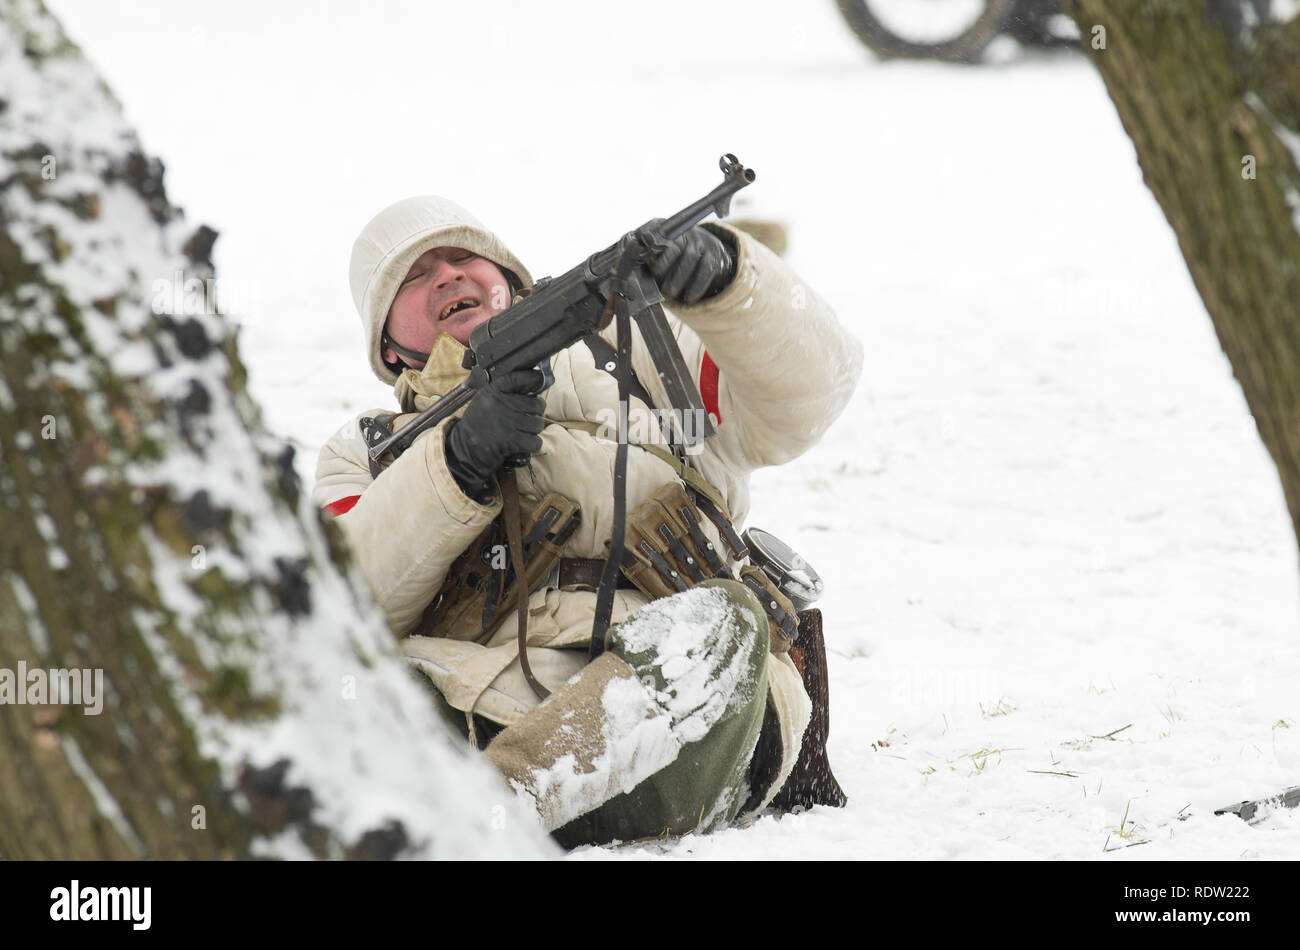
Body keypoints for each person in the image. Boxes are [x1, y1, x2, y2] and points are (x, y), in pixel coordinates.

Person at [314, 194, 862, 845]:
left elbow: (816, 391)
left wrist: (729, 283)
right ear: (387, 347)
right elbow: (337, 608)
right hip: (475, 708)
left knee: (726, 620)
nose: (447, 274)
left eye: (463, 255)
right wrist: (452, 466)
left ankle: (487, 814)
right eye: (412, 275)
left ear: (512, 279)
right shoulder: (370, 452)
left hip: (686, 719)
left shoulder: (650, 361)